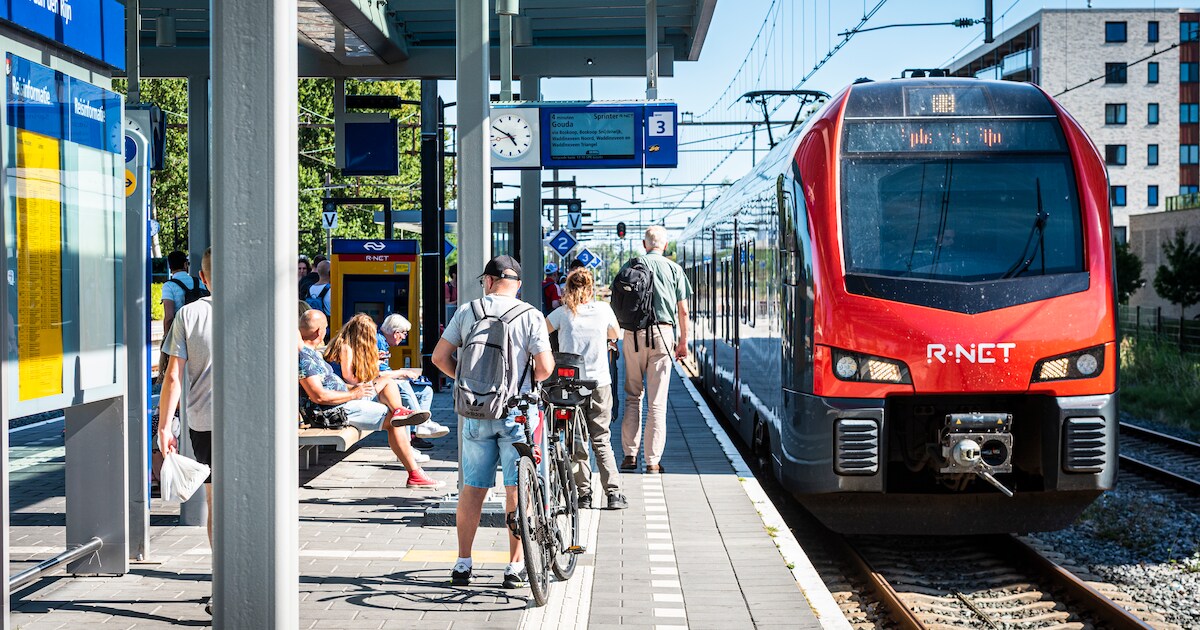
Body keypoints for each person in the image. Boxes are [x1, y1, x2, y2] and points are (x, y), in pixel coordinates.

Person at [432, 255, 554, 589]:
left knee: (473, 489)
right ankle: (514, 567)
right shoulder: (530, 315)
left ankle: (463, 563)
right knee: (518, 489)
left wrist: (468, 383)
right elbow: (544, 368)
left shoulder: (468, 311)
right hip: (517, 413)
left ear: (487, 281)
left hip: (476, 412)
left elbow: (439, 358)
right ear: (518, 285)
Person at [300, 310, 441, 488]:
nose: (327, 333)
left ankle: (401, 415)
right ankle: (414, 473)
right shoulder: (305, 358)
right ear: (318, 331)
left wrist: (356, 389)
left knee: (389, 388)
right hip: (332, 410)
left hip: (343, 399)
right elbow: (319, 395)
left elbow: (333, 386)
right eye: (325, 328)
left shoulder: (311, 355)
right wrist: (354, 393)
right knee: (395, 420)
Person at [157, 247, 215, 616]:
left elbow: (173, 376)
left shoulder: (189, 314)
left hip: (204, 420)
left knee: (217, 504)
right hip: (258, 425)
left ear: (203, 278)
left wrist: (164, 426)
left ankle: (222, 580)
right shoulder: (265, 311)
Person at [546, 268, 628, 510]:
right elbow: (616, 334)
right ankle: (613, 494)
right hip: (599, 383)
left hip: (569, 387)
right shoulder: (603, 310)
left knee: (576, 441)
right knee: (601, 439)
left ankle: (583, 495)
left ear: (566, 289)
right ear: (591, 289)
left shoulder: (561, 313)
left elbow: (540, 331)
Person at [619, 226, 692, 474]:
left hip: (632, 335)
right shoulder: (674, 269)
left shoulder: (630, 266)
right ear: (666, 245)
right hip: (662, 334)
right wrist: (683, 342)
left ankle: (629, 456)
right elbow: (683, 311)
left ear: (644, 243)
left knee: (632, 396)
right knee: (657, 403)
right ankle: (652, 462)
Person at [378, 313, 449, 444]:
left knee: (426, 391)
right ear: (396, 333)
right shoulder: (378, 342)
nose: (405, 337)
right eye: (404, 333)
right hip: (376, 388)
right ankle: (422, 424)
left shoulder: (383, 342)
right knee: (403, 386)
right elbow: (379, 374)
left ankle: (416, 433)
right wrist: (403, 373)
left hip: (384, 385)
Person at [161, 250, 209, 339]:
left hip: (180, 333)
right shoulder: (198, 282)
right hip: (200, 331)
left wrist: (166, 337)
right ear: (185, 264)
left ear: (170, 266)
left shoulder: (168, 286)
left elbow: (169, 317)